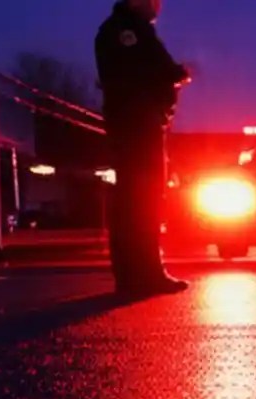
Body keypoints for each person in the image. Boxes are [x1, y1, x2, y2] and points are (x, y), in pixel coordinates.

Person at [94, 0, 191, 295]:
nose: (157, 7)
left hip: (140, 123)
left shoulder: (129, 30)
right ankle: (141, 274)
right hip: (137, 124)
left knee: (142, 199)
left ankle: (139, 272)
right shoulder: (124, 31)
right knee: (141, 199)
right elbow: (142, 72)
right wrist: (175, 74)